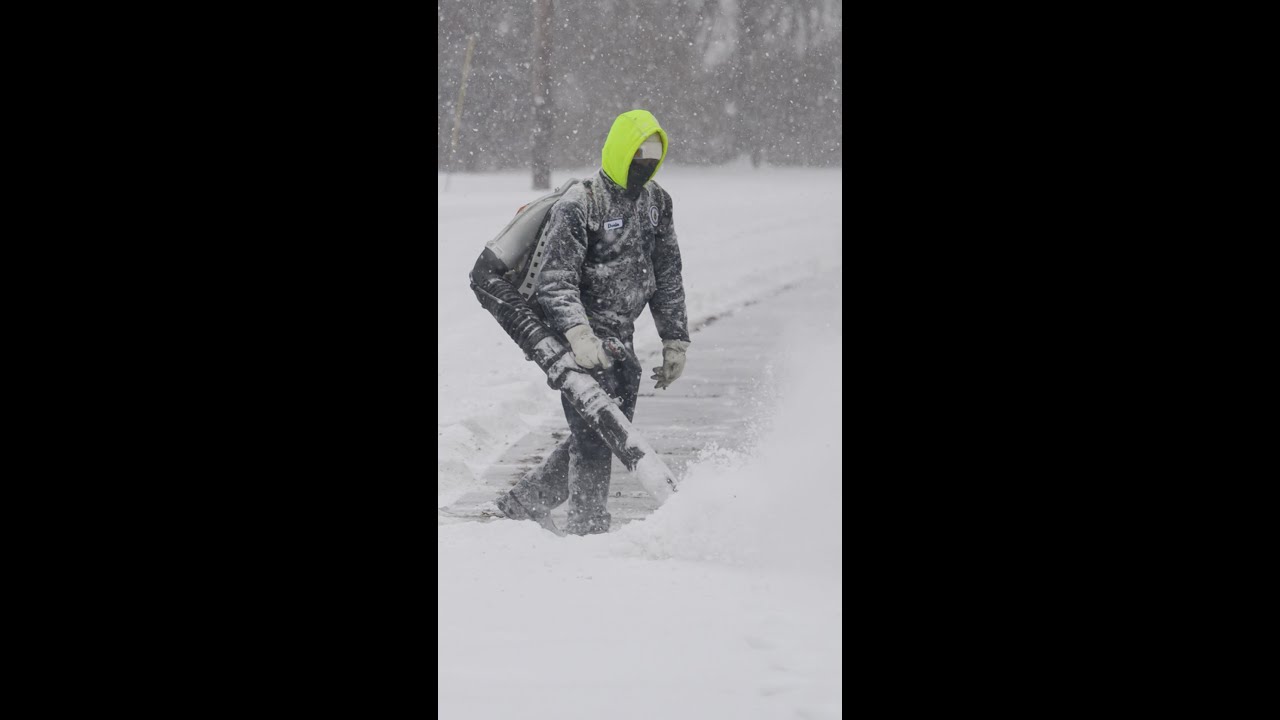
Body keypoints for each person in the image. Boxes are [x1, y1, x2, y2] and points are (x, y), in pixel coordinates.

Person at [496, 109, 691, 535]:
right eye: (637, 152)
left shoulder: (657, 203)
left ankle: (523, 502)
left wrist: (675, 338)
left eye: (653, 154)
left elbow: (667, 272)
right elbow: (556, 280)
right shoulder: (581, 204)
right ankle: (587, 525)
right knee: (593, 434)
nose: (645, 162)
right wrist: (579, 337)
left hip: (623, 335)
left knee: (606, 430)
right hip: (577, 336)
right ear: (620, 150)